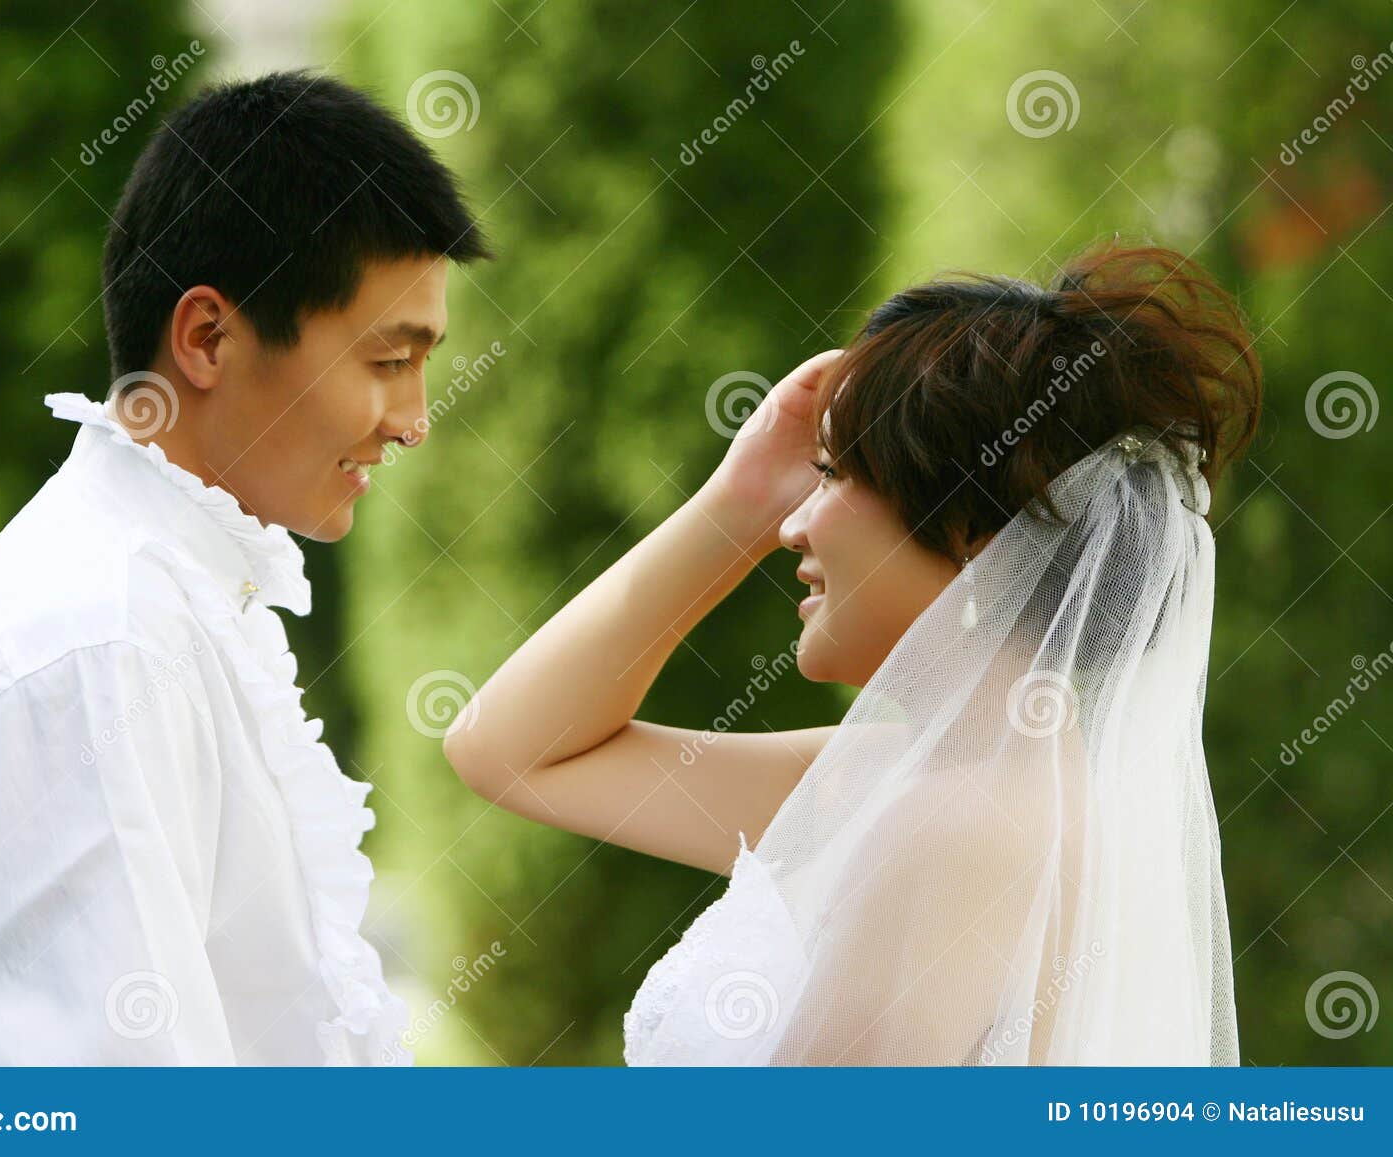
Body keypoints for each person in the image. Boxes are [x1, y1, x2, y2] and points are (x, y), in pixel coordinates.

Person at [445, 242, 1260, 1065]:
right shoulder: (892, 777)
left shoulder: (968, 823)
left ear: (972, 532)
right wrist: (739, 498)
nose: (793, 524)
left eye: (833, 475)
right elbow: (507, 752)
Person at [0, 70, 489, 1065]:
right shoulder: (102, 642)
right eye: (387, 360)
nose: (413, 418)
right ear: (207, 336)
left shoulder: (165, 592)